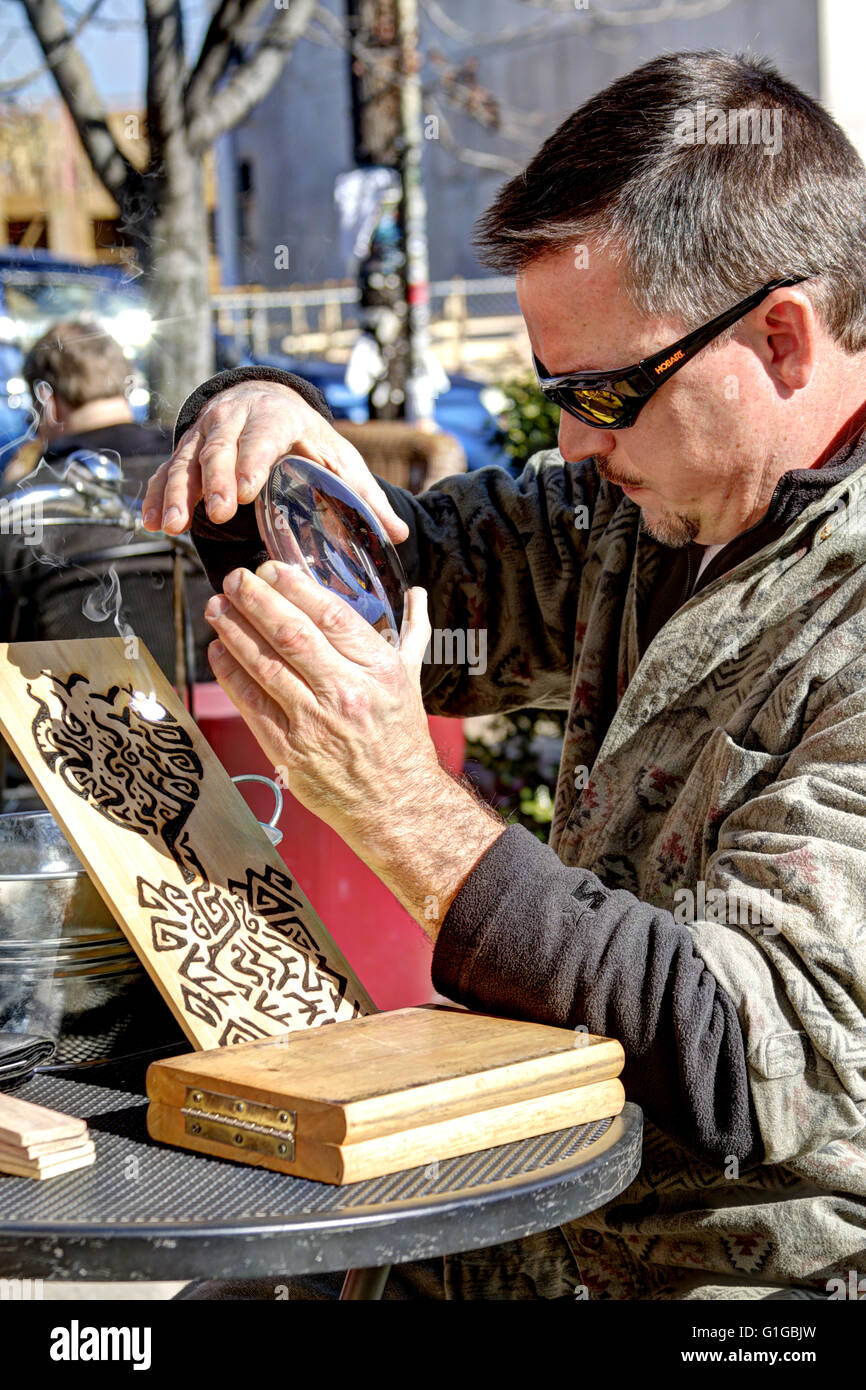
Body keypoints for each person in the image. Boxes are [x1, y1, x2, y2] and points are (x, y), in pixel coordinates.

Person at [144, 51, 866, 1301]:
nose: (572, 439)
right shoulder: (629, 509)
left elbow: (741, 1052)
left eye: (605, 390)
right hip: (541, 1212)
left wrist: (400, 811)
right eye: (555, 390)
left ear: (782, 340)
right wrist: (257, 420)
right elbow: (399, 574)